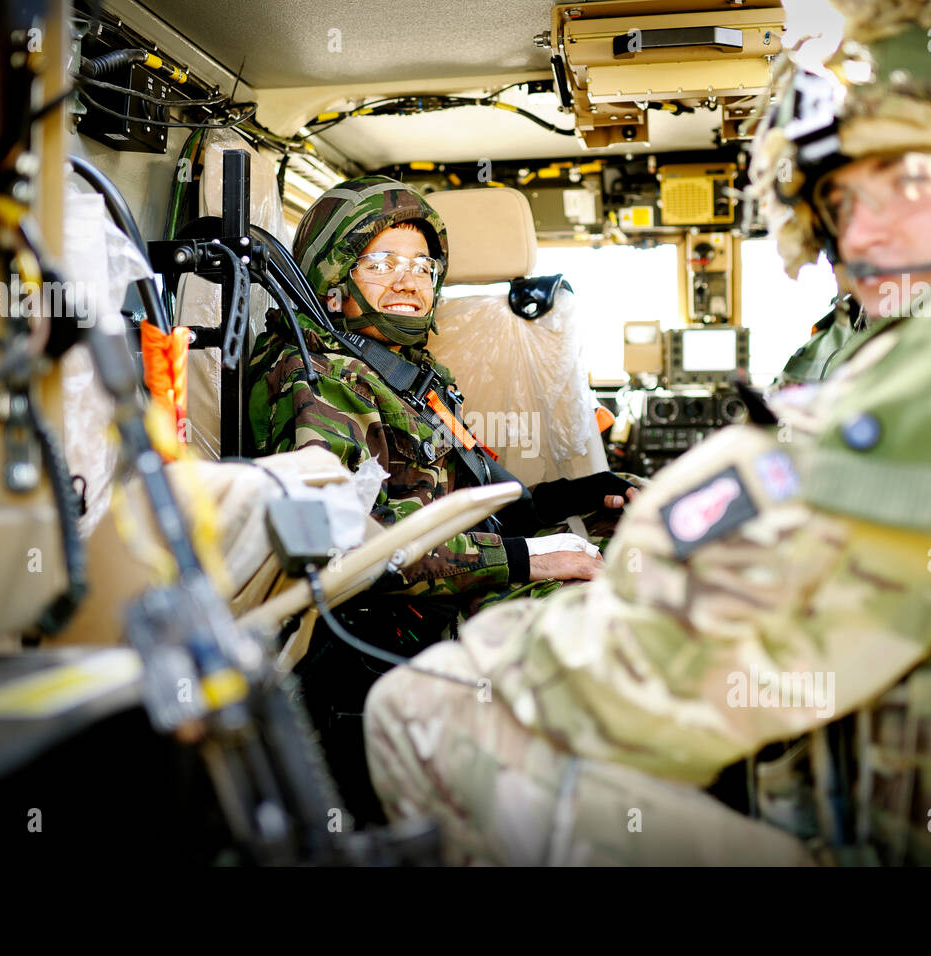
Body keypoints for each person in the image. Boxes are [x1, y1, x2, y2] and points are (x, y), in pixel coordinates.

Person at [362, 0, 931, 865]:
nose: (865, 230)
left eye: (911, 179)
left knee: (419, 709)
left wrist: (511, 638)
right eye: (843, 193)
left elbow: (641, 673)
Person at [246, 176, 641, 820]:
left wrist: (582, 493)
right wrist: (528, 561)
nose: (408, 281)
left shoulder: (410, 376)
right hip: (399, 635)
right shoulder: (321, 380)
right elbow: (359, 550)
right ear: (336, 278)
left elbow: (472, 498)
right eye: (383, 263)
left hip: (451, 603)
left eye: (421, 265)